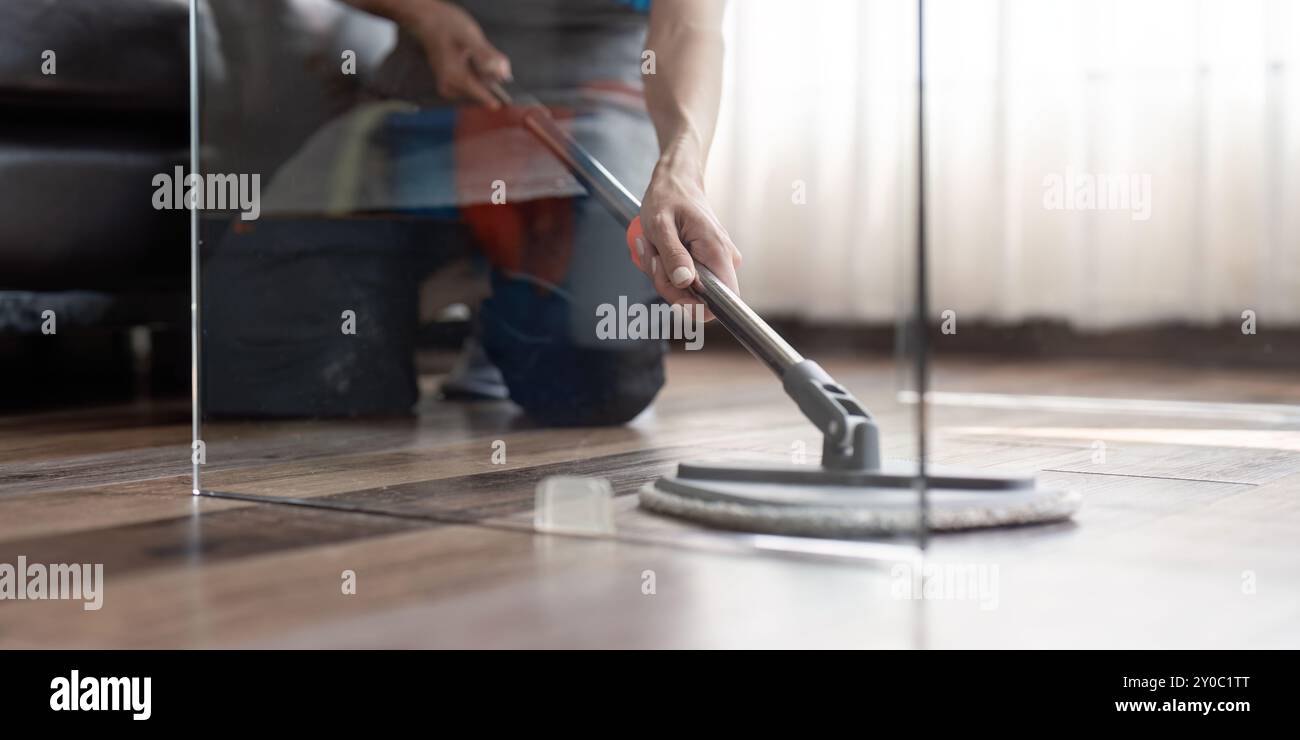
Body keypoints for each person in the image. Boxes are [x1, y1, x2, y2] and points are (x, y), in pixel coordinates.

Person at [204, 0, 740, 425]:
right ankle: (462, 281)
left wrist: (680, 167)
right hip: (424, 100)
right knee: (271, 366)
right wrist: (423, 13)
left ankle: (504, 302)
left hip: (595, 111)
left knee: (591, 386)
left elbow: (686, 28)